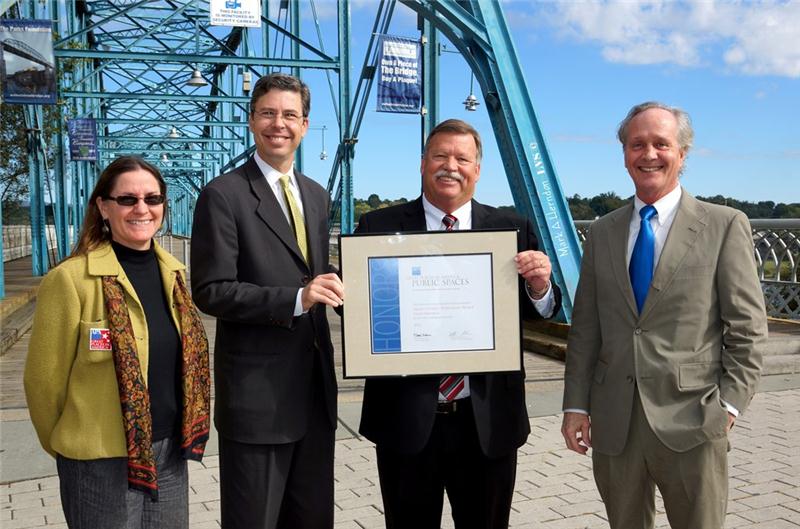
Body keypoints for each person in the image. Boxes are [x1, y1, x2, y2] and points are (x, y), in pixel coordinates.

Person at [561, 101, 767, 529]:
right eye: (637, 144)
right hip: (615, 420)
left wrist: (728, 406)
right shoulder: (602, 231)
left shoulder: (724, 224)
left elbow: (747, 329)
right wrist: (575, 405)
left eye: (661, 143)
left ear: (683, 153)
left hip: (693, 419)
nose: (648, 154)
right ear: (624, 154)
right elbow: (586, 328)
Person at [354, 118, 561, 528]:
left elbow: (542, 309)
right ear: (422, 163)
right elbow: (361, 319)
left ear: (477, 170)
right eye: (440, 156)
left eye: (462, 158)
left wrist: (540, 286)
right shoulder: (377, 228)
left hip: (486, 422)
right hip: (405, 421)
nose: (451, 166)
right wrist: (348, 293)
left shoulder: (512, 228)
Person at [190, 73, 344, 529]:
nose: (280, 123)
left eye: (290, 115)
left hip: (314, 391)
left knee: (313, 519)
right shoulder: (223, 194)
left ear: (305, 124)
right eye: (269, 113)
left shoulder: (317, 195)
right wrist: (297, 298)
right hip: (258, 398)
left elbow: (311, 273)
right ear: (252, 120)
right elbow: (211, 289)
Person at [24, 156, 211, 529]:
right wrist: (74, 445)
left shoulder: (173, 274)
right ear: (103, 207)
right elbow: (43, 384)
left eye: (152, 199)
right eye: (127, 199)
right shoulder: (71, 281)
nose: (142, 208)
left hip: (169, 452)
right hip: (99, 459)